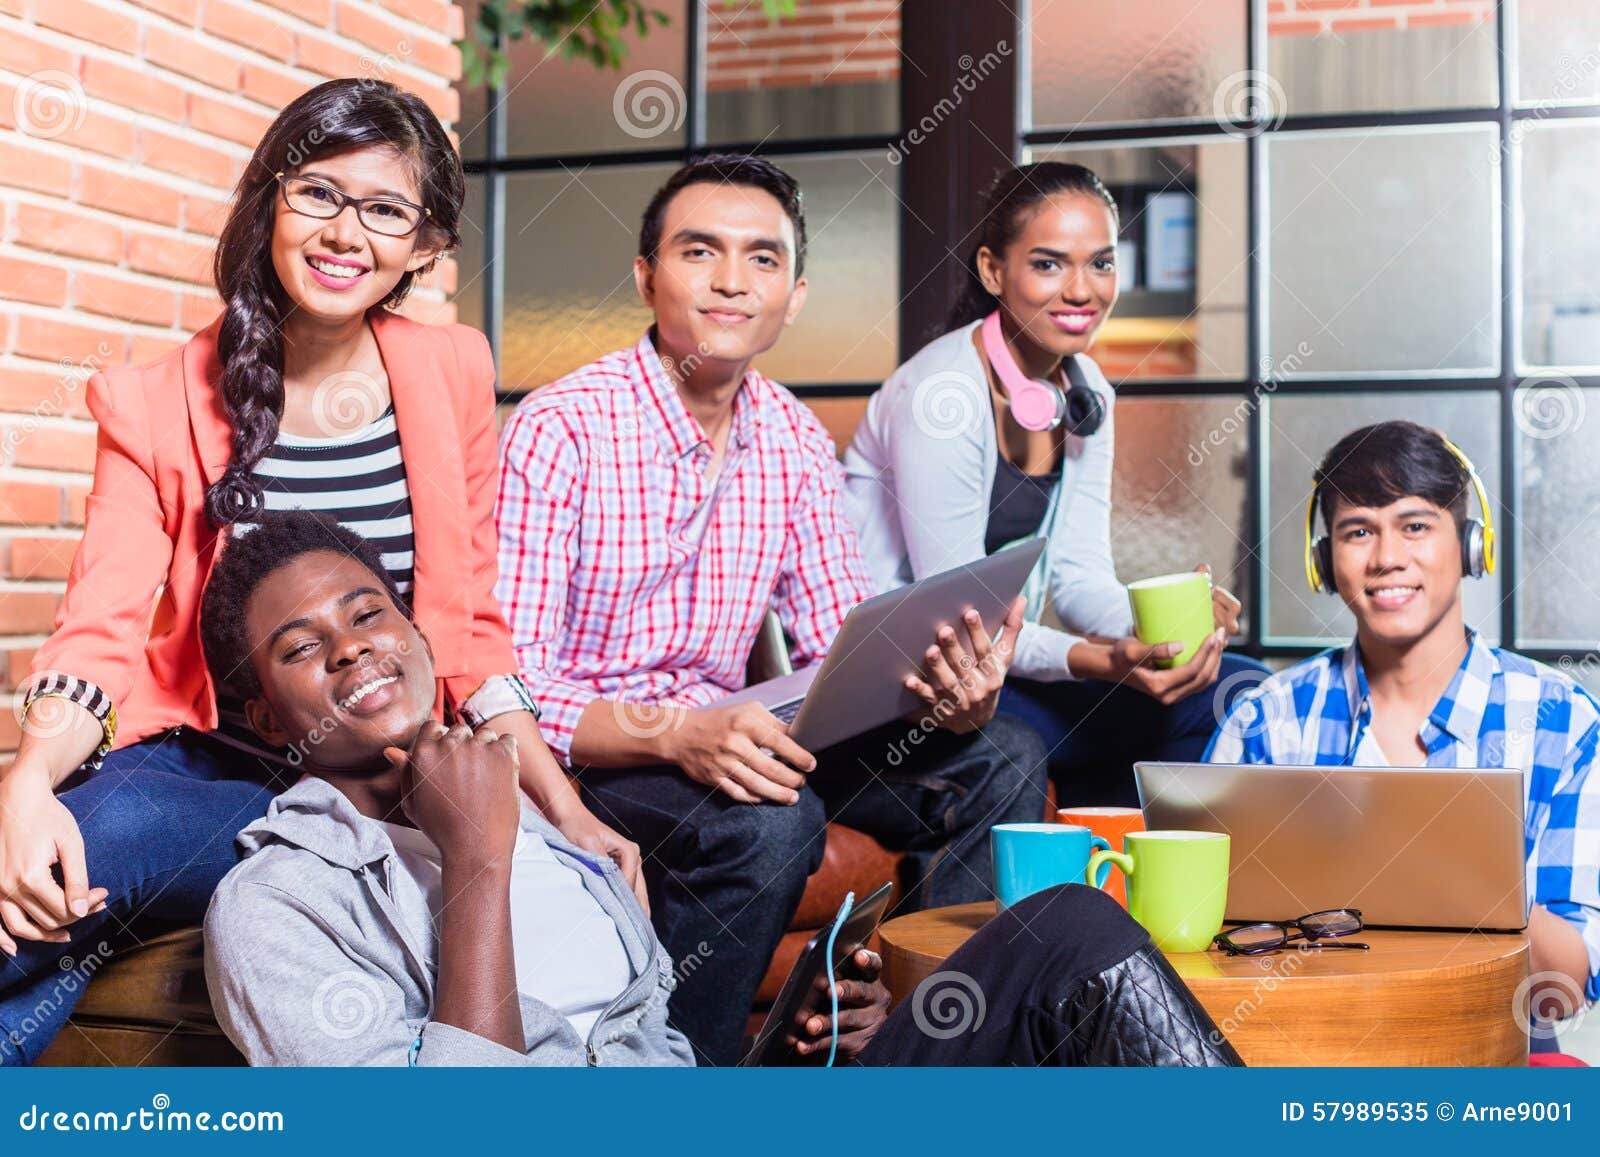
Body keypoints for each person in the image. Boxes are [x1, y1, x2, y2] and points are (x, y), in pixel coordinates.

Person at [0, 79, 638, 1066]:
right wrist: (30, 778)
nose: (348, 233)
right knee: (84, 843)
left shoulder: (452, 369)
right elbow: (100, 628)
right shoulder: (150, 399)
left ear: (424, 244)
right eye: (318, 195)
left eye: (385, 209)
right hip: (228, 762)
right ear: (271, 202)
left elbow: (466, 625)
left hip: (387, 760)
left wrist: (563, 805)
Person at [201, 510, 1242, 1069]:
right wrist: (474, 858)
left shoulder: (551, 824)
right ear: (264, 715)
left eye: (369, 612)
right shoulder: (280, 904)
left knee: (1069, 930)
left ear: (420, 631)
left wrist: (808, 1042)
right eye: (304, 648)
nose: (354, 650)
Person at [494, 153, 1050, 1065]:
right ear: (646, 275)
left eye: (761, 259)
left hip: (746, 734)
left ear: (793, 294)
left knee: (1005, 756)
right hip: (603, 751)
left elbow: (846, 639)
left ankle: (919, 1057)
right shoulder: (562, 429)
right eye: (699, 251)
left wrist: (950, 689)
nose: (729, 281)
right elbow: (510, 685)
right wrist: (674, 733)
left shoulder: (791, 436)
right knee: (766, 818)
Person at [842, 162, 1268, 806]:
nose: (1081, 290)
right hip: (907, 691)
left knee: (1236, 689)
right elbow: (961, 625)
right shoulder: (943, 396)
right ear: (993, 272)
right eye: (1048, 264)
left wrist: (1165, 631)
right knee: (1038, 738)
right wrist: (1102, 662)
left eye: (1100, 263)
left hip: (992, 671)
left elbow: (1077, 576)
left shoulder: (1085, 388)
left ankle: (1139, 885)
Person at [1208, 420, 1599, 1038]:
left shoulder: (1563, 722)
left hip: (1481, 1056)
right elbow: (1201, 952)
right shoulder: (1265, 720)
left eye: (1416, 526)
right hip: (1293, 1047)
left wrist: (1451, 866)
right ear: (1323, 561)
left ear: (1471, 546)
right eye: (1358, 531)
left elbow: (1562, 992)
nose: (1388, 557)